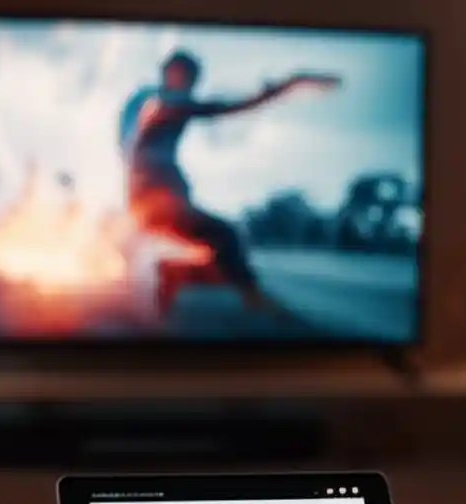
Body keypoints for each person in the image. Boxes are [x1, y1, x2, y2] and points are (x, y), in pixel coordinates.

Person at [120, 50, 339, 311]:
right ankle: (253, 297)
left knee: (226, 253)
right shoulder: (162, 104)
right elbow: (220, 107)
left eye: (193, 79)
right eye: (186, 77)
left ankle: (175, 273)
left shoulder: (160, 106)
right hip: (156, 203)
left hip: (155, 201)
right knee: (227, 237)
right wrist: (285, 86)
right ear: (169, 74)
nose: (191, 86)